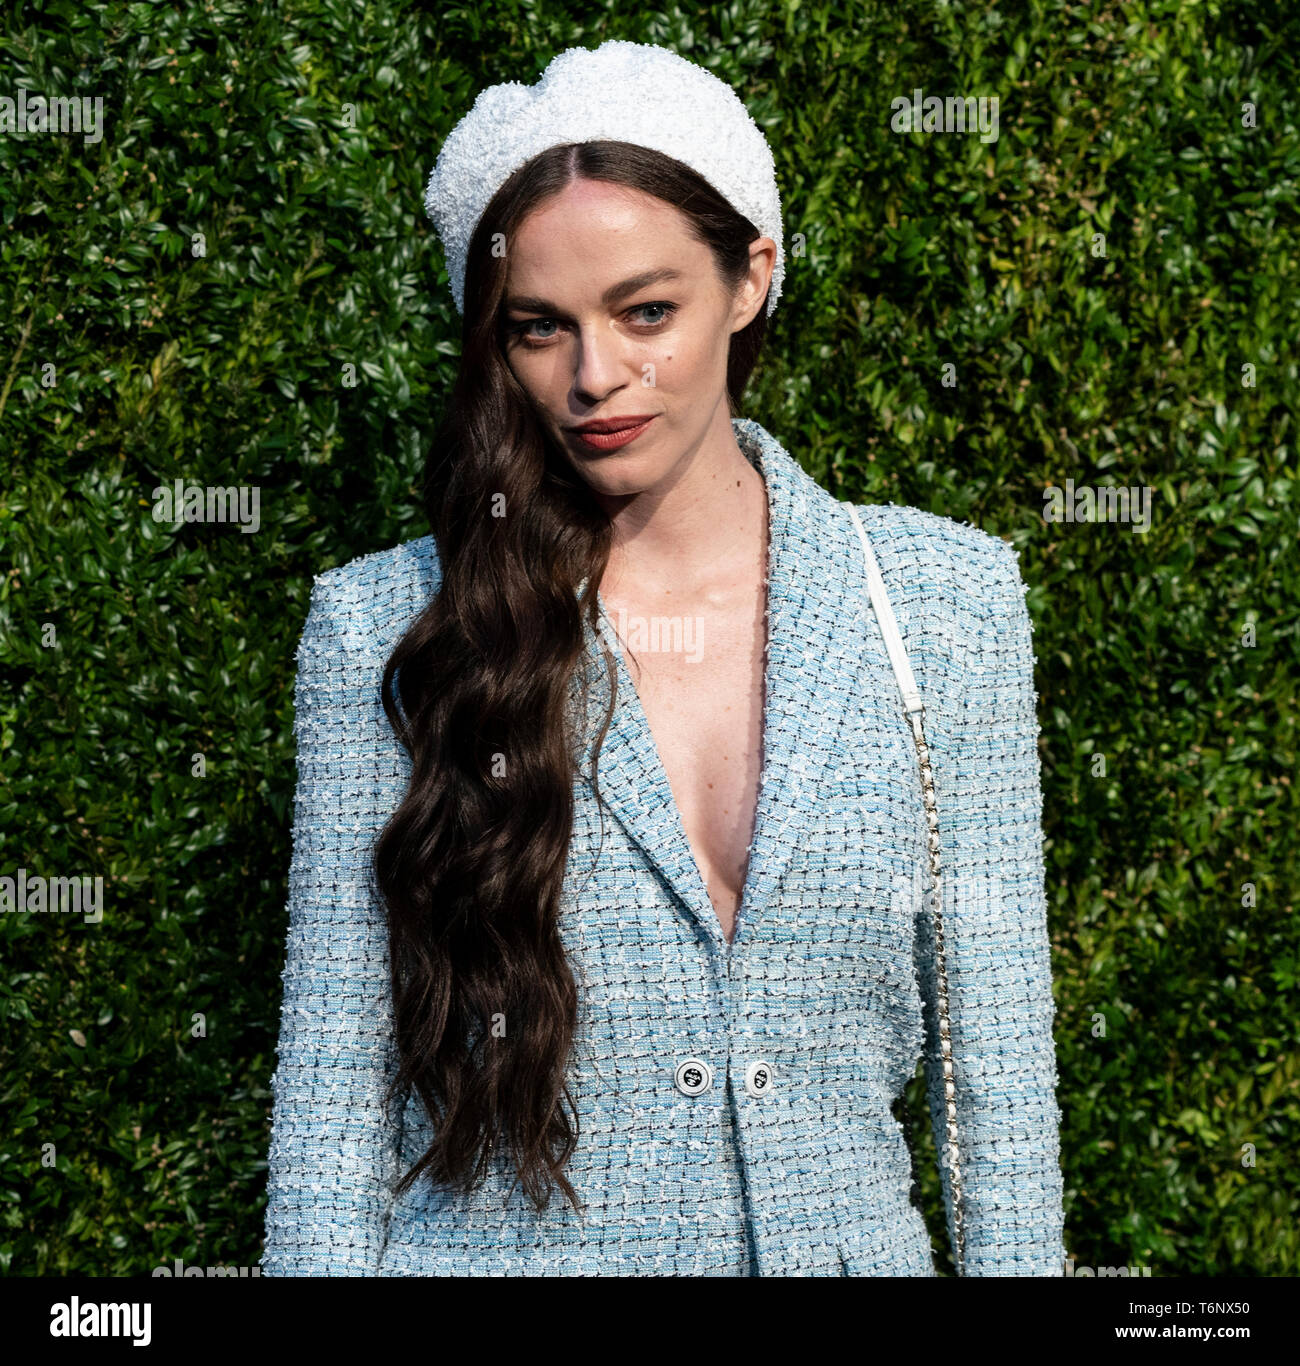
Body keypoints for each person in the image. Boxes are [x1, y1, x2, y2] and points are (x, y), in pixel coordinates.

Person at [260, 39, 1065, 1276]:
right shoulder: (388, 630)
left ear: (750, 277)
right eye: (539, 328)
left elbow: (997, 1086)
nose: (595, 378)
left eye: (646, 311)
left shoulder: (944, 606)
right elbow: (332, 1096)